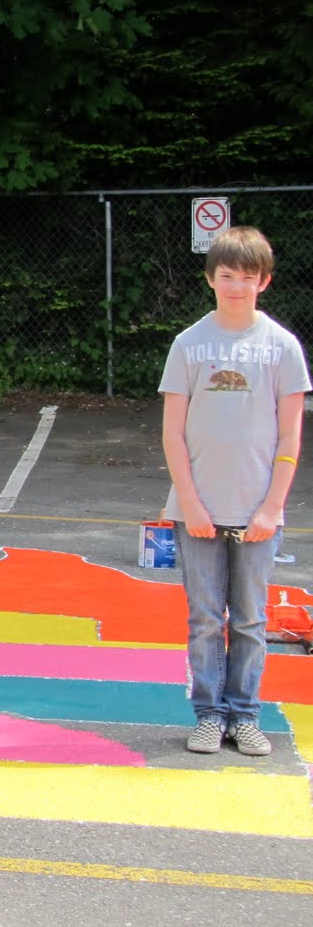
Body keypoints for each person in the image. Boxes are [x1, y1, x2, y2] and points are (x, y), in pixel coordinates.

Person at [160, 227, 308, 758]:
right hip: (196, 509)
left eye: (248, 278)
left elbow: (290, 434)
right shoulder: (189, 344)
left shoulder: (281, 347)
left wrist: (271, 507)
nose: (237, 287)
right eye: (228, 277)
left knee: (249, 619)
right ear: (210, 279)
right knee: (204, 620)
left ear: (264, 282)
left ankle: (244, 714)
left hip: (258, 513)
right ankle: (208, 714)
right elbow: (172, 432)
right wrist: (191, 503)